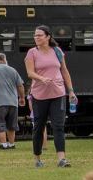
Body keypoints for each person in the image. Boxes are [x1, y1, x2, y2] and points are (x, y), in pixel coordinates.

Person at [25, 25, 77, 168]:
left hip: (58, 93)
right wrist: (41, 79)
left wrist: (71, 91)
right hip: (39, 95)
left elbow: (65, 71)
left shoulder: (57, 51)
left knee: (59, 126)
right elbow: (30, 73)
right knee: (39, 127)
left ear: (47, 37)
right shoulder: (31, 53)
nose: (36, 38)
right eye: (35, 35)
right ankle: (37, 159)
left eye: (39, 35)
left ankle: (62, 159)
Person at [0, 52, 26, 149]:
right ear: (4, 59)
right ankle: (12, 144)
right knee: (12, 124)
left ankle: (3, 144)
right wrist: (22, 98)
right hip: (13, 102)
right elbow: (20, 85)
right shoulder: (12, 70)